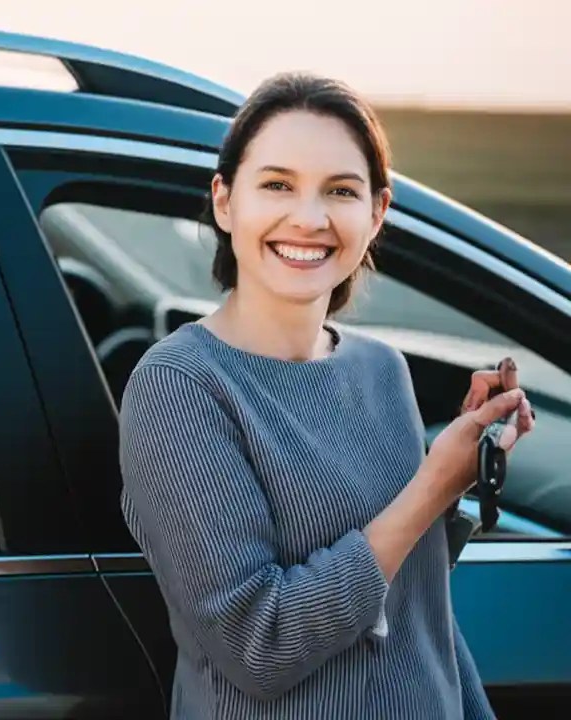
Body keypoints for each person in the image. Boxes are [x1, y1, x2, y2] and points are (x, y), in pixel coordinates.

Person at [119, 72, 536, 719]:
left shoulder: (381, 369)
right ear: (225, 202)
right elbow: (261, 645)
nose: (309, 219)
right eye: (277, 185)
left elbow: (416, 609)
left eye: (340, 191)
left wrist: (458, 471)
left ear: (377, 211)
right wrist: (431, 485)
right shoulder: (181, 387)